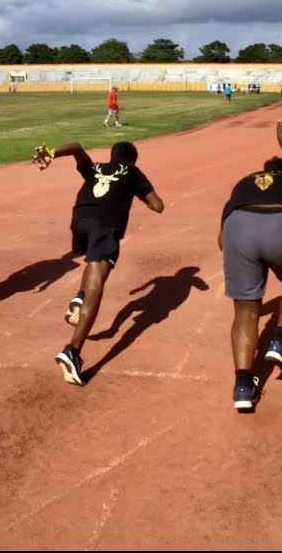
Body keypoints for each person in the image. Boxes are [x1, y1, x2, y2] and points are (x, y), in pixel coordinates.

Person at [33, 140, 165, 385]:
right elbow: (158, 206)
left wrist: (50, 152)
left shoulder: (96, 168)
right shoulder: (134, 173)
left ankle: (79, 298)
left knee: (93, 262)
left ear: (112, 156)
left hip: (80, 219)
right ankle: (72, 350)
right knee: (98, 282)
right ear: (133, 160)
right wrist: (140, 195)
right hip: (105, 225)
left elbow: (77, 148)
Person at [220, 118, 282, 411]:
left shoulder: (244, 182)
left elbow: (221, 238)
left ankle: (243, 385)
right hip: (281, 223)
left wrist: (248, 263)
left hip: (237, 228)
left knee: (245, 309)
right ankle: (280, 341)